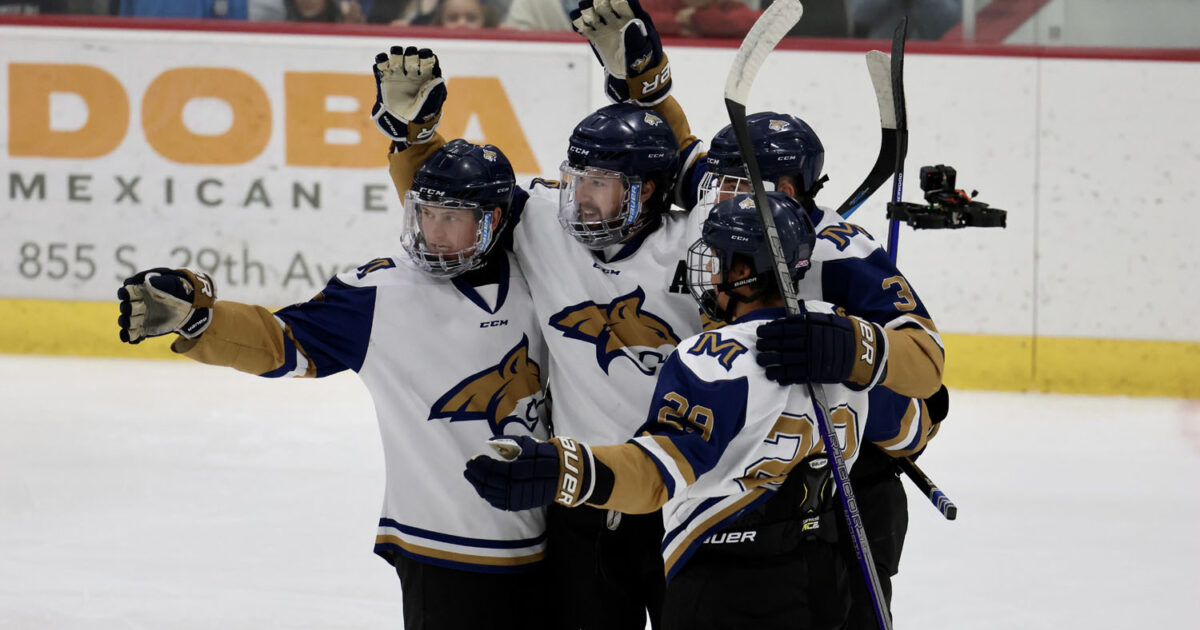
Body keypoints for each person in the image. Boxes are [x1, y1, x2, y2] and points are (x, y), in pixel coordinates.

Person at [116, 136, 555, 630]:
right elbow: (285, 344)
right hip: (446, 545)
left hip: (559, 538)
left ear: (494, 220)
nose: (433, 232)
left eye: (451, 218)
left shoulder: (543, 275)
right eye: (426, 214)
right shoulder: (381, 293)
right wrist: (204, 322)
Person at [464, 192, 937, 630]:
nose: (706, 274)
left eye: (715, 260)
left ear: (742, 271)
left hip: (726, 587)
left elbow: (655, 476)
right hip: (823, 581)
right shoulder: (842, 340)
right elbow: (912, 430)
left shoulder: (711, 359)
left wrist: (568, 468)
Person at [374, 9, 702, 623]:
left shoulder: (698, 240)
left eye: (599, 184)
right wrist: (412, 136)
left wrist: (650, 83)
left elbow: (731, 184)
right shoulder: (543, 223)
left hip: (688, 491)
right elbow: (459, 208)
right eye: (575, 178)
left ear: (650, 189)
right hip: (581, 490)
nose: (577, 197)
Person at [687, 111, 947, 625]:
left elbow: (927, 366)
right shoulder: (729, 218)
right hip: (760, 481)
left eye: (732, 184)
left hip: (852, 479)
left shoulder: (843, 252)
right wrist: (643, 78)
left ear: (783, 187)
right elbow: (676, 158)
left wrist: (851, 349)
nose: (716, 198)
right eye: (716, 184)